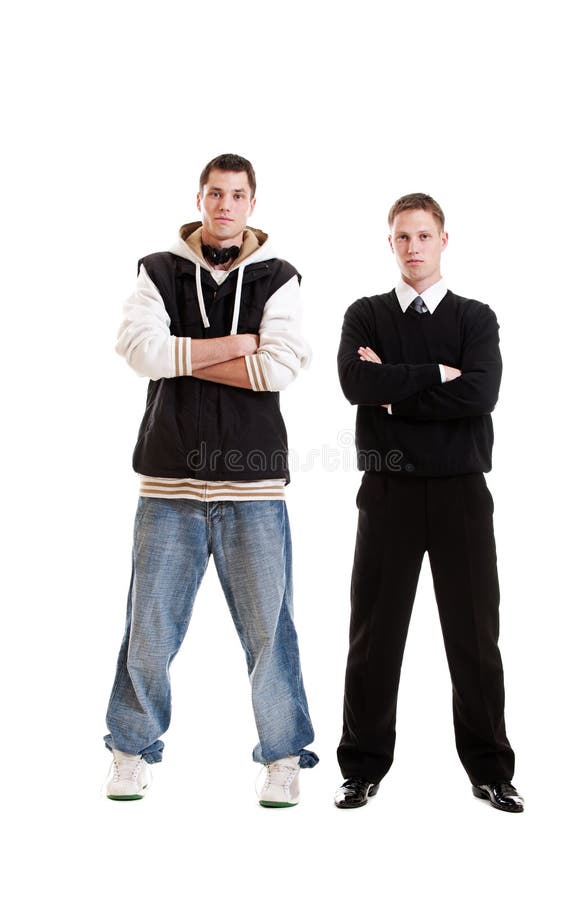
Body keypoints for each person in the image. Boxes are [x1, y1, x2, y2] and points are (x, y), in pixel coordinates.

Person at [104, 153, 317, 806]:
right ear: (200, 198)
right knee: (149, 626)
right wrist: (233, 345)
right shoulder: (157, 270)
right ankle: (128, 752)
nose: (225, 204)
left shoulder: (280, 277)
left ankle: (282, 757)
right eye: (215, 193)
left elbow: (278, 369)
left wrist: (181, 355)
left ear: (252, 204)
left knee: (268, 630)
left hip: (252, 489)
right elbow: (139, 351)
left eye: (238, 194)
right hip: (168, 484)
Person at [334, 193, 523, 813]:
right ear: (390, 244)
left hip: (460, 494)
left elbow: (482, 395)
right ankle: (361, 768)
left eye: (423, 235)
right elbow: (356, 384)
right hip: (386, 490)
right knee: (374, 635)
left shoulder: (476, 318)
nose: (413, 247)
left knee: (473, 636)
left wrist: (396, 393)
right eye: (401, 237)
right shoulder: (365, 314)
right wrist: (437, 374)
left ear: (444, 240)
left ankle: (491, 770)